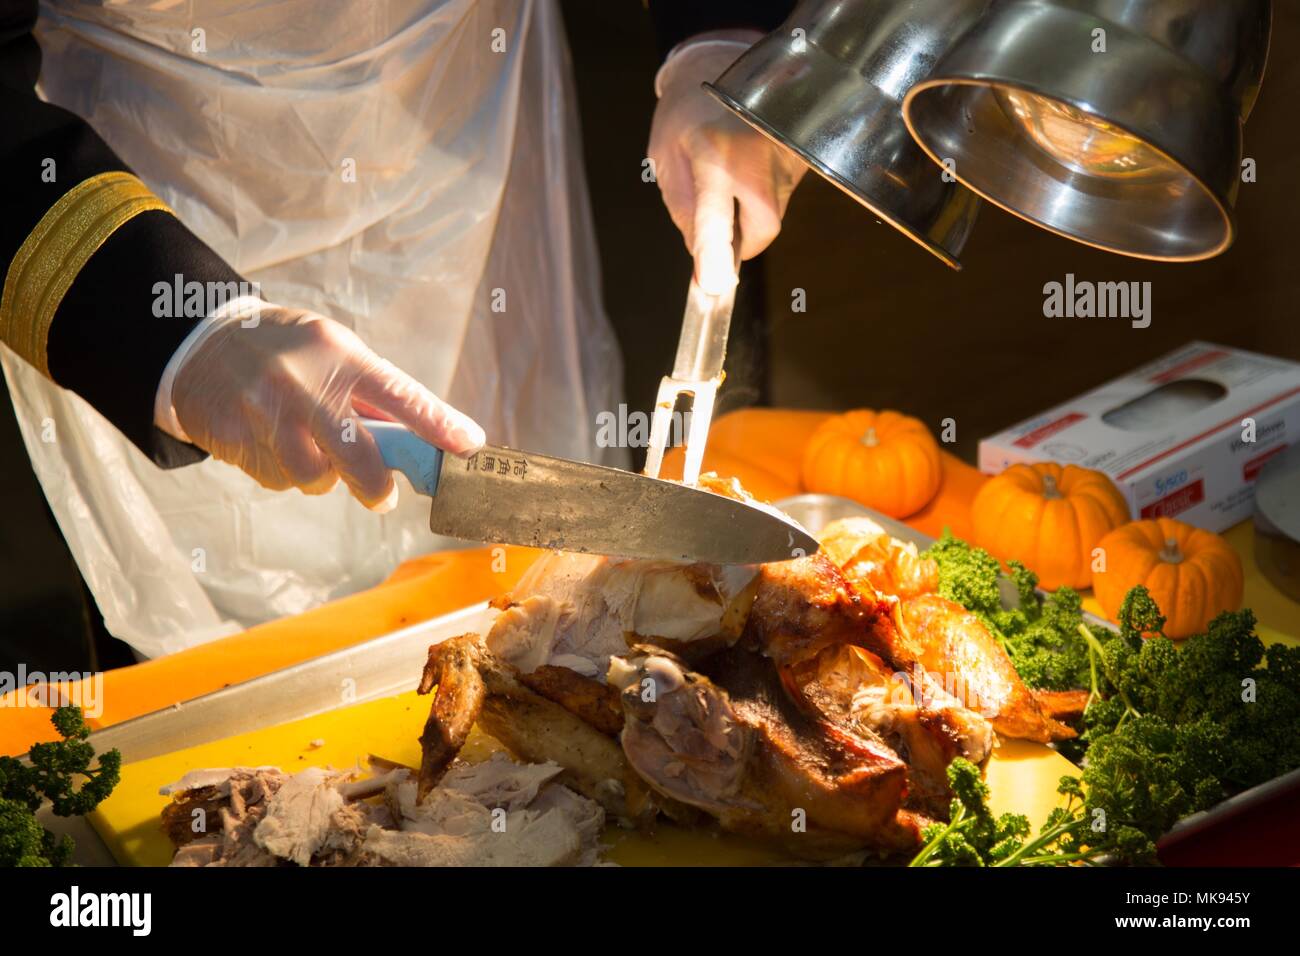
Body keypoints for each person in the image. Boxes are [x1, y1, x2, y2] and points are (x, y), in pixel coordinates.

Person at [0, 0, 801, 659]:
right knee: (248, 685)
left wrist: (721, 38)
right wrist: (188, 334)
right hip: (164, 210)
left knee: (561, 627)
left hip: (474, 139)